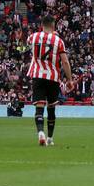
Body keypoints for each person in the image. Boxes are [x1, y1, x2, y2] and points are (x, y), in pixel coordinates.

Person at [26, 15, 74, 147]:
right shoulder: (58, 41)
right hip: (53, 77)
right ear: (53, 25)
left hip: (37, 75)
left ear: (41, 24)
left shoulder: (33, 37)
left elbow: (28, 42)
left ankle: (40, 131)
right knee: (51, 108)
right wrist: (69, 80)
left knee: (39, 106)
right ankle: (50, 138)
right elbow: (64, 61)